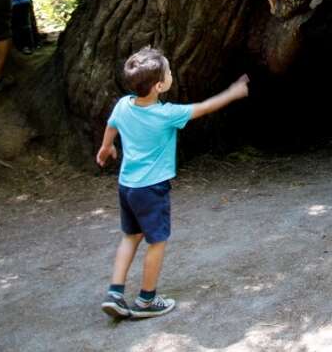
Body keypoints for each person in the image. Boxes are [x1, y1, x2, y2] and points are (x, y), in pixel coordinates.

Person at [95, 47, 250, 319]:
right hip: (151, 190)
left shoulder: (123, 104)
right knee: (157, 241)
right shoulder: (166, 114)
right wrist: (233, 93)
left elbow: (112, 124)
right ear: (159, 85)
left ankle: (115, 293)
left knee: (130, 237)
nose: (170, 75)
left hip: (127, 186)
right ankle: (146, 300)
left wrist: (107, 147)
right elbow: (203, 108)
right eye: (167, 72)